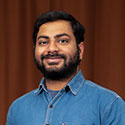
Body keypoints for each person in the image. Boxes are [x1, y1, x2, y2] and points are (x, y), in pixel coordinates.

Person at [6, 11, 125, 125]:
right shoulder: (17, 109)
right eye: (43, 42)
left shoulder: (109, 105)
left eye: (62, 41)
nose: (51, 49)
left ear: (80, 50)